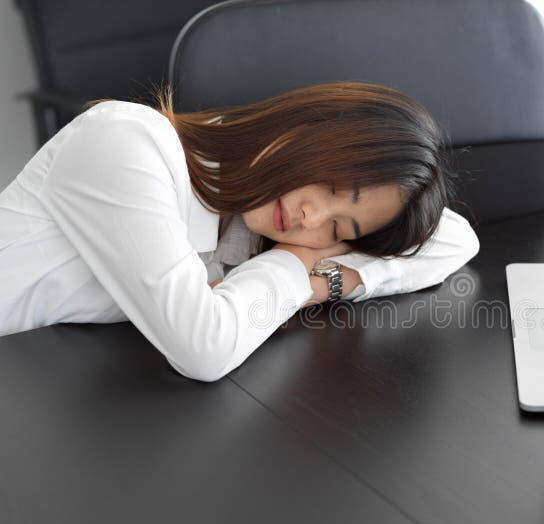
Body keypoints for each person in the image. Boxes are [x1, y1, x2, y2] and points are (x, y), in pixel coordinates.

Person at [0, 82, 479, 381]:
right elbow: (203, 348)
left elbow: (454, 238)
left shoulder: (244, 225)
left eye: (338, 227)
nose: (311, 218)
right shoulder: (129, 145)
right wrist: (296, 264)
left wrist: (332, 279)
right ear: (302, 129)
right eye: (331, 184)